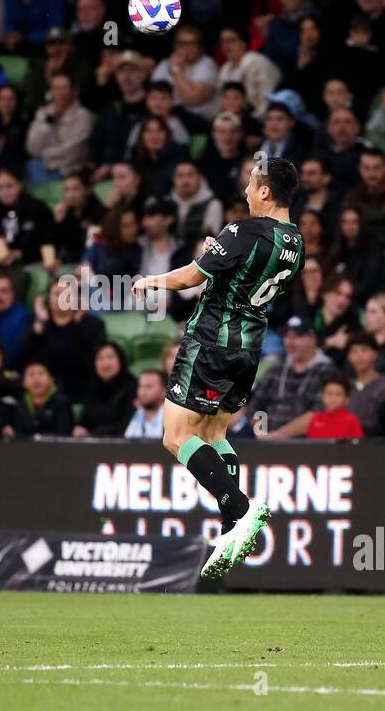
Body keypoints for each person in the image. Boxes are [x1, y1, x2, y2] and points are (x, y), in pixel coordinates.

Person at [131, 157, 304, 580]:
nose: (246, 190)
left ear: (265, 191)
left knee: (174, 437)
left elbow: (192, 277)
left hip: (209, 343)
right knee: (214, 433)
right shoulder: (296, 242)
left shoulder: (243, 230)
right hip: (248, 350)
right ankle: (230, 531)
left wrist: (150, 281)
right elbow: (244, 276)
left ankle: (240, 510)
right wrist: (219, 254)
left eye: (251, 182)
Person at [229, 315, 336, 438]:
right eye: (287, 336)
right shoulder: (276, 369)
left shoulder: (326, 371)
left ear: (312, 339)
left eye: (297, 336)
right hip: (267, 440)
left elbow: (320, 412)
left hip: (305, 443)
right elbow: (256, 407)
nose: (290, 342)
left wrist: (279, 436)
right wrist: (263, 433)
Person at [124, 369, 169, 439]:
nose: (142, 392)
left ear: (164, 391)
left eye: (149, 387)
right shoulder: (128, 413)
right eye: (140, 386)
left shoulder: (172, 420)